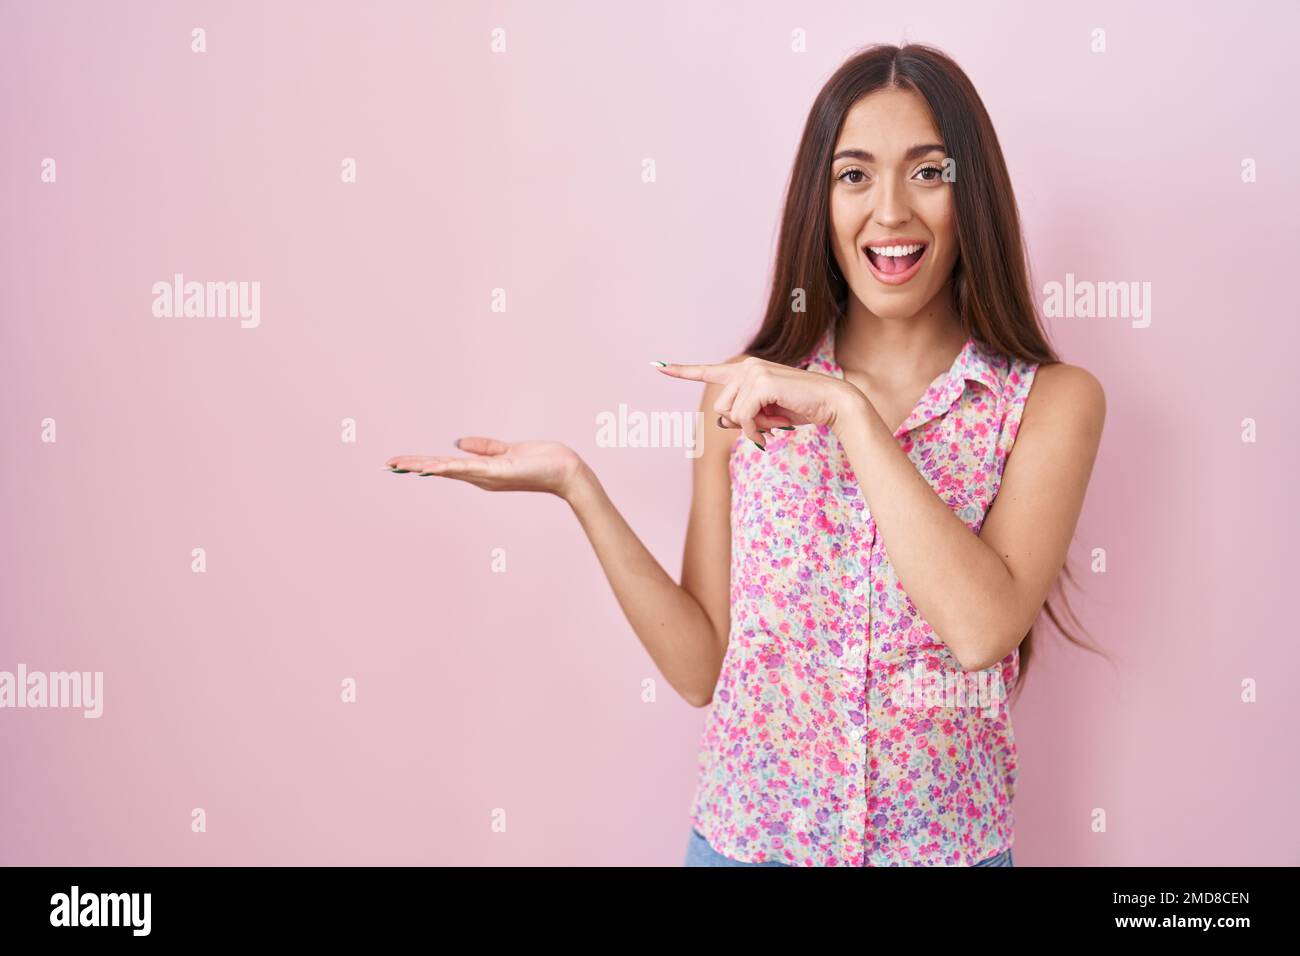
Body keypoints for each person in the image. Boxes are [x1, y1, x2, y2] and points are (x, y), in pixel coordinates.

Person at [386, 43, 1105, 868]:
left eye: (929, 172)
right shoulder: (741, 404)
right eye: (855, 175)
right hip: (743, 849)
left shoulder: (1050, 403)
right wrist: (576, 487)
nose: (892, 212)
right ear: (820, 202)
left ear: (970, 194)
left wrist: (849, 411)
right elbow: (702, 668)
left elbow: (981, 629)